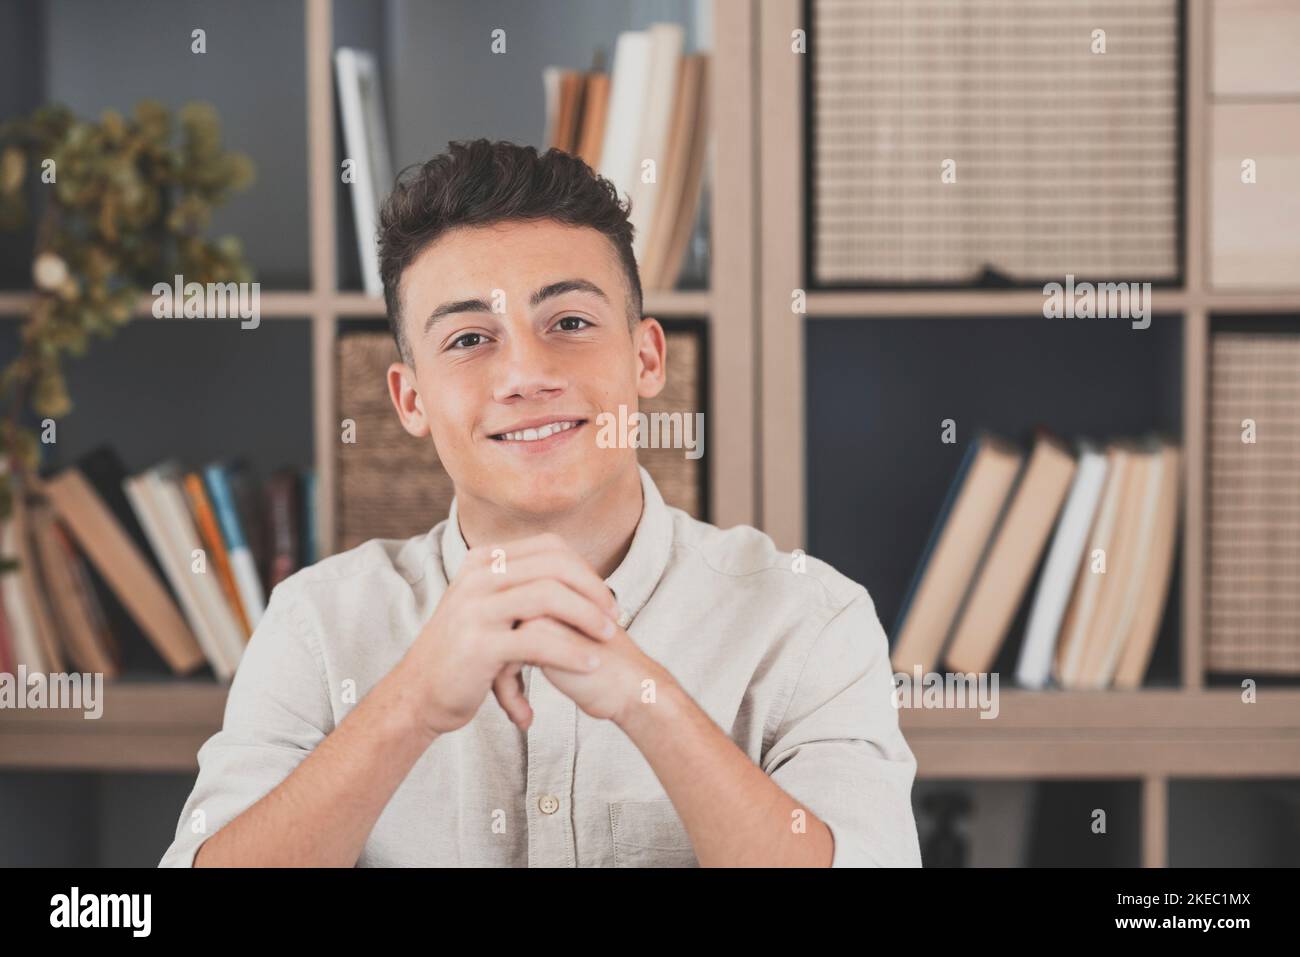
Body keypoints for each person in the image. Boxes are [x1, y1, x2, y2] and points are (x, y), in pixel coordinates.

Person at [159, 139, 921, 867]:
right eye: (467, 339)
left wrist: (644, 697)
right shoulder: (317, 626)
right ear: (410, 397)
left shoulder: (807, 618)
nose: (526, 373)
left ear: (647, 357)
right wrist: (410, 703)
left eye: (571, 322)